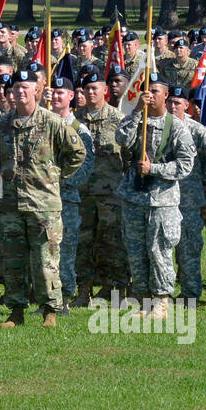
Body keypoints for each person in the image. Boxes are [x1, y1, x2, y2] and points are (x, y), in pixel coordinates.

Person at [0, 69, 88, 327]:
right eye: (16, 87)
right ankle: (15, 311)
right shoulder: (3, 124)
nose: (20, 91)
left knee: (46, 261)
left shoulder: (51, 122)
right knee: (13, 261)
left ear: (36, 91)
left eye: (25, 87)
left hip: (44, 206)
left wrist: (56, 175)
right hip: (10, 205)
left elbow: (78, 152)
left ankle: (50, 311)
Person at [114, 75, 195, 318]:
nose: (150, 95)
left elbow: (185, 165)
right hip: (134, 196)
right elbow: (121, 139)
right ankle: (144, 300)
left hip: (162, 201)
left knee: (159, 250)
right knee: (136, 251)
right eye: (146, 91)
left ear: (166, 95)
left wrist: (155, 169)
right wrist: (138, 111)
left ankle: (161, 301)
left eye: (155, 91)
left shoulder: (177, 127)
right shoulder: (138, 119)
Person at [74, 68, 127, 305]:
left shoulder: (119, 119)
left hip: (111, 194)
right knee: (82, 243)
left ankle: (114, 291)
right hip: (83, 193)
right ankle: (83, 291)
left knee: (112, 242)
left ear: (105, 90)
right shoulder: (75, 121)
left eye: (95, 88)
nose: (91, 92)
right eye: (87, 89)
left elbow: (128, 155)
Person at [48, 75, 94, 308]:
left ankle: (64, 298)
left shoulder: (79, 129)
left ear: (71, 96)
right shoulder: (42, 123)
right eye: (53, 92)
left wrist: (59, 178)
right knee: (43, 250)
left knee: (65, 250)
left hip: (66, 199)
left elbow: (85, 166)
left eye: (61, 92)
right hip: (42, 200)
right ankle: (44, 297)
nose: (56, 96)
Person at [167, 85, 206, 301]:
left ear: (187, 105)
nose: (173, 106)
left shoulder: (197, 131)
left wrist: (201, 180)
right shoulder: (159, 127)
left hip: (189, 199)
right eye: (170, 102)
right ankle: (164, 292)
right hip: (164, 198)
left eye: (178, 103)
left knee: (189, 249)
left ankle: (190, 293)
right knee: (163, 248)